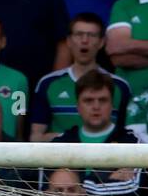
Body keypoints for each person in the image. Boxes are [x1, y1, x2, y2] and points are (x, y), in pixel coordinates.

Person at [30, 13, 132, 141]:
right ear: (68, 41)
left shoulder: (120, 86)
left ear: (101, 42)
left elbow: (127, 135)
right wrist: (72, 140)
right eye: (79, 35)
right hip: (61, 158)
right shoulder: (47, 83)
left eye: (92, 35)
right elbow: (35, 137)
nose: (85, 40)